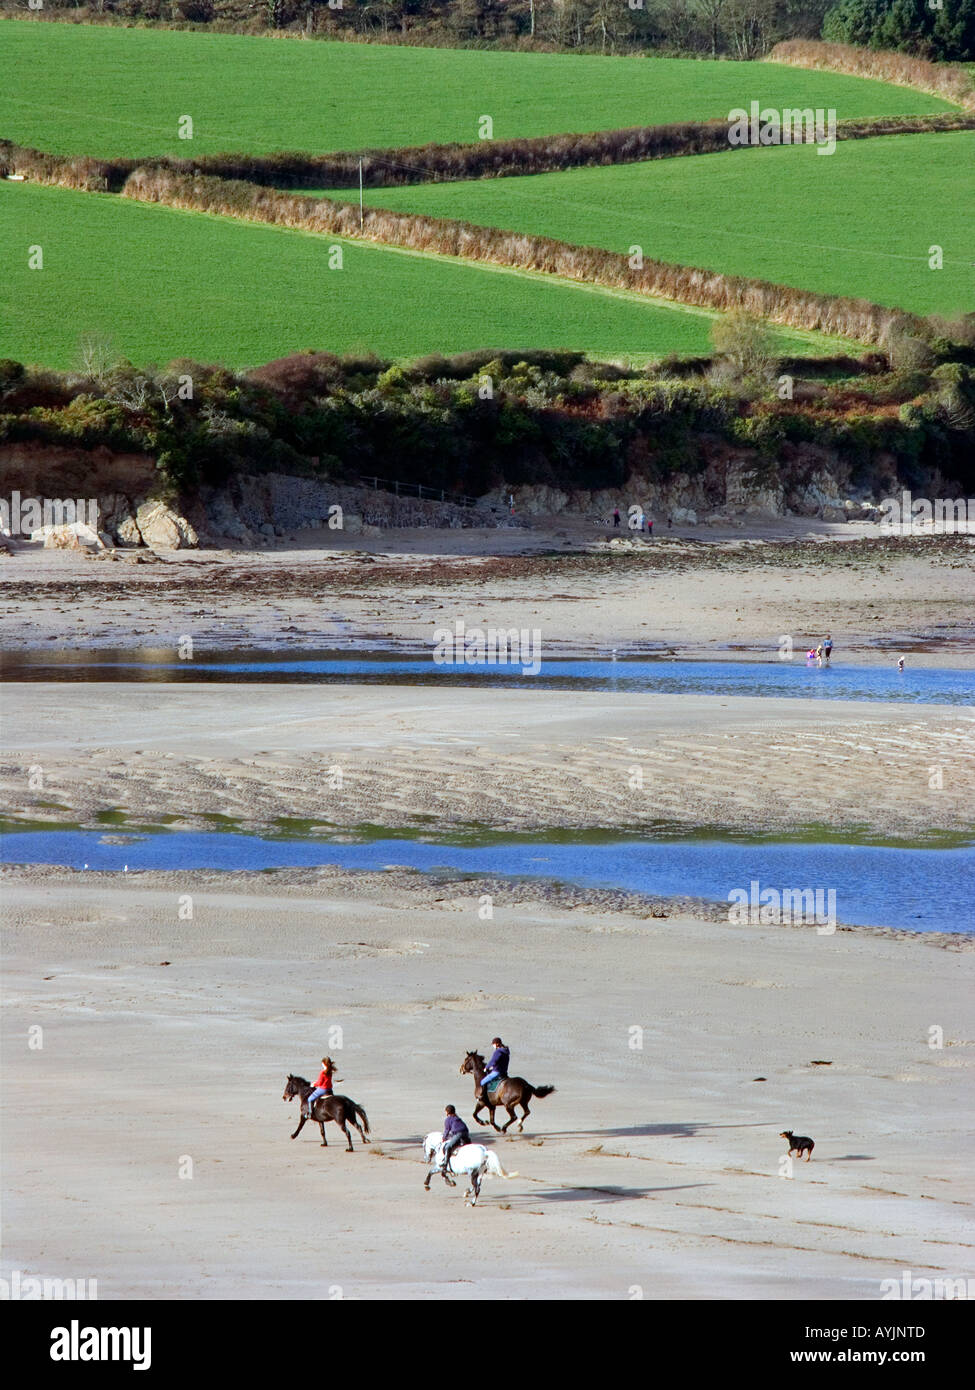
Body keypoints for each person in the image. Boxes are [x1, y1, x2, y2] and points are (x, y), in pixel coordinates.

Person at [440, 1105, 470, 1176]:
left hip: (459, 1134)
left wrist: (444, 1138)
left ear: (447, 1112)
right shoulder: (457, 1118)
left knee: (448, 1147)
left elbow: (447, 1130)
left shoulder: (448, 1119)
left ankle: (445, 1164)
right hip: (466, 1133)